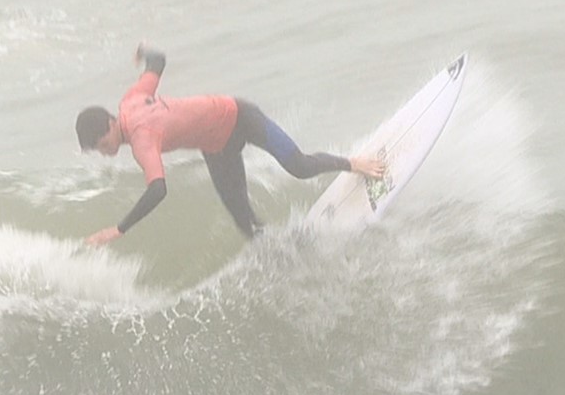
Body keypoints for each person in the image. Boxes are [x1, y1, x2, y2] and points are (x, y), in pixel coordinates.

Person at [76, 45, 385, 246]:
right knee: (246, 224)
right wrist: (143, 52)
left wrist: (119, 229)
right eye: (99, 150)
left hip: (240, 116)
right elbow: (158, 60)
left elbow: (158, 189)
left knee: (300, 166)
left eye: (103, 144)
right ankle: (288, 252)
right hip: (216, 148)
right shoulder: (130, 99)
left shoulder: (141, 138)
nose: (105, 152)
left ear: (111, 123)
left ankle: (354, 163)